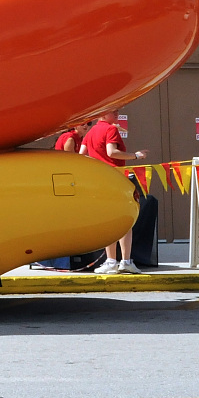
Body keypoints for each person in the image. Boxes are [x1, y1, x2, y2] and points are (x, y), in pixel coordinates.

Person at [80, 109, 149, 274]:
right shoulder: (111, 129)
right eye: (114, 112)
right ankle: (125, 261)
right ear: (103, 115)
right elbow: (112, 152)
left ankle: (111, 261)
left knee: (108, 220)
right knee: (124, 220)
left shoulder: (91, 132)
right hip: (116, 178)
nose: (117, 114)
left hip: (100, 180)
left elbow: (82, 155)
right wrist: (136, 155)